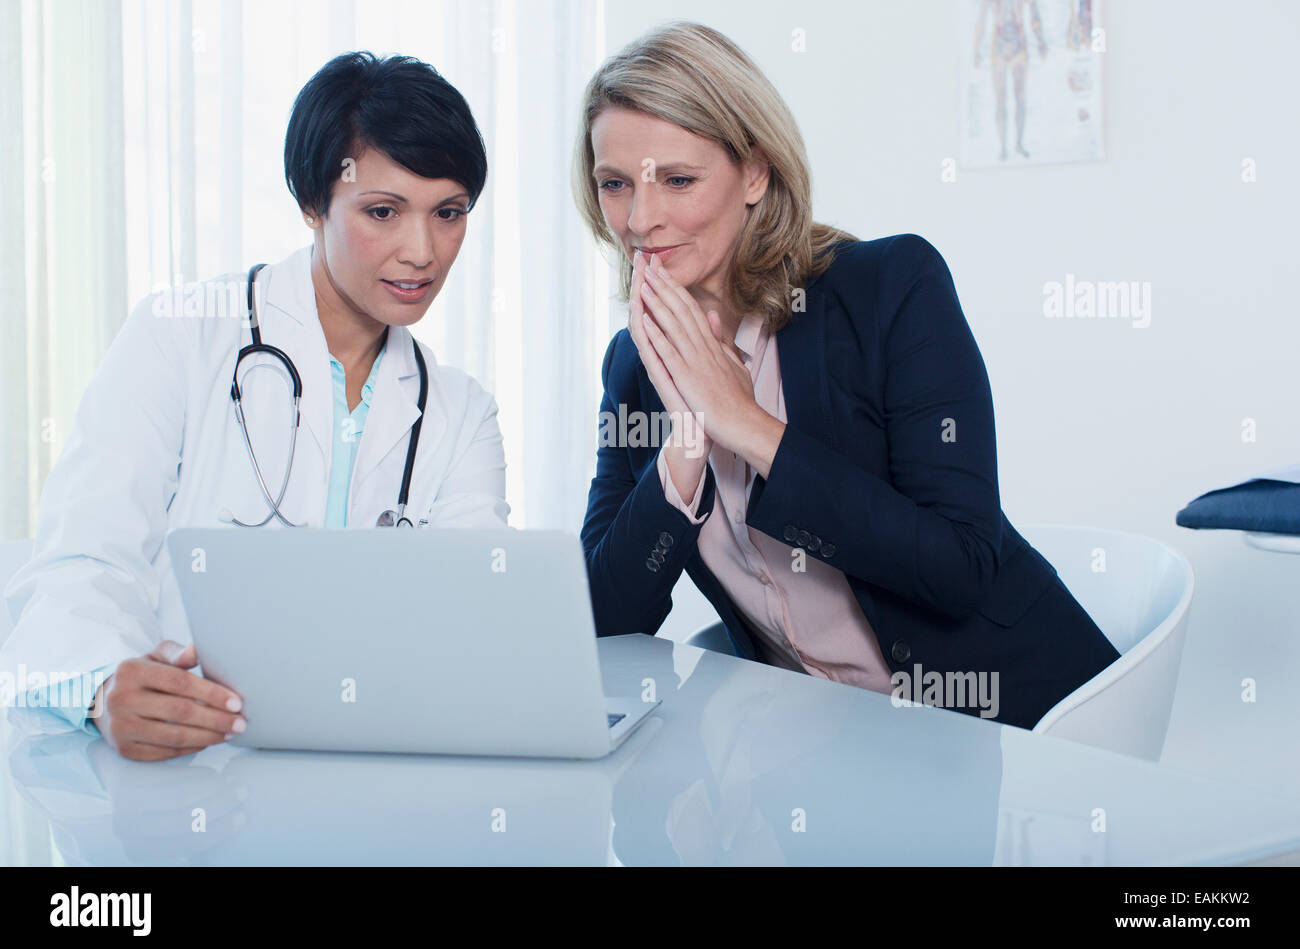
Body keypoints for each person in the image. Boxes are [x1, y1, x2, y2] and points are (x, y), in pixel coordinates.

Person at [571, 22, 1119, 730]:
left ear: (757, 174)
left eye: (678, 179)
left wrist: (745, 424)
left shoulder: (890, 289)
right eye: (615, 185)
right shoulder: (634, 364)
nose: (641, 219)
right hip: (828, 749)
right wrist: (685, 443)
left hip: (1016, 730)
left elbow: (958, 568)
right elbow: (605, 624)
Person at [1, 52, 508, 761]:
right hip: (189, 781)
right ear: (311, 203)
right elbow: (83, 559)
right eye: (383, 212)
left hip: (375, 784)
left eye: (448, 213)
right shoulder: (181, 334)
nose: (422, 251)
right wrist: (97, 689)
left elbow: (472, 622)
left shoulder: (462, 415)